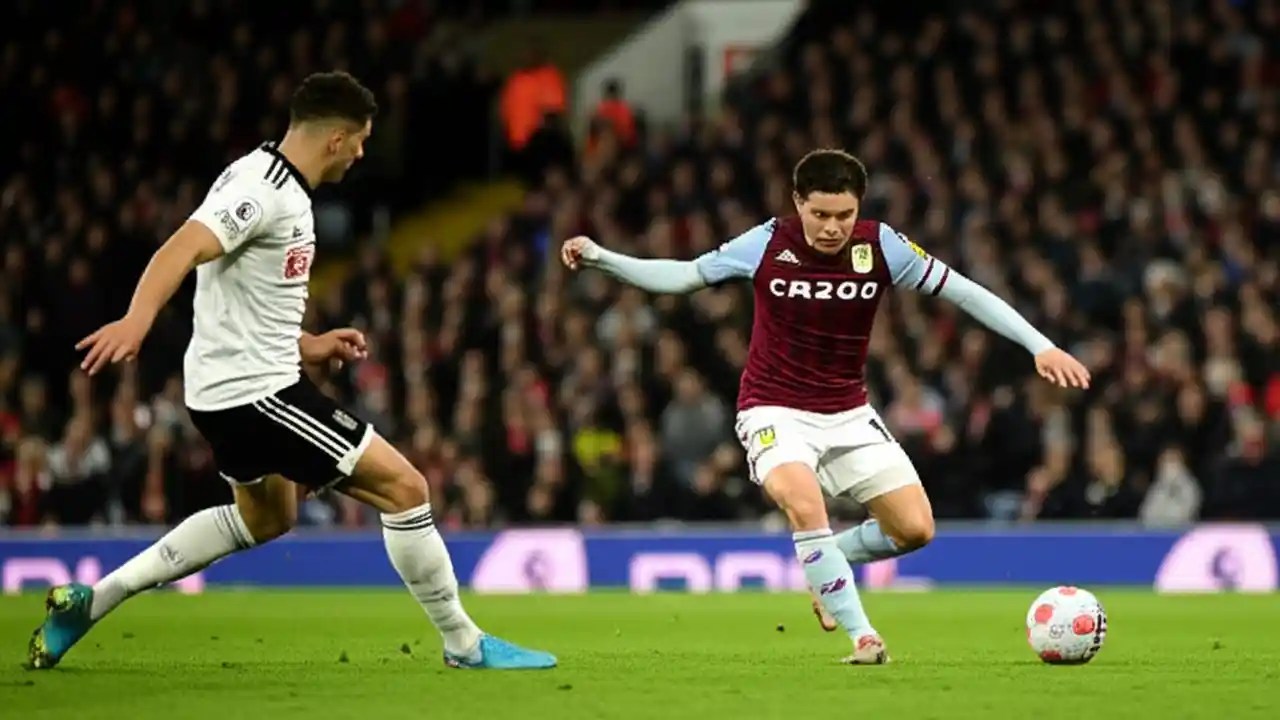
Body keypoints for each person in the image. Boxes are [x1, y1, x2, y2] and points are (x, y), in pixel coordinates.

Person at [29, 71, 556, 672]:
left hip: (229, 388)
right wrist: (135, 319)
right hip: (257, 394)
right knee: (406, 489)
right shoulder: (264, 190)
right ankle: (464, 643)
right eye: (358, 141)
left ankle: (90, 603)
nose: (360, 154)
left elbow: (241, 296)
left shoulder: (259, 174)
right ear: (334, 139)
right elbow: (181, 247)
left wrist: (307, 343)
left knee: (267, 517)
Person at [561, 148, 1090, 664]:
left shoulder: (882, 246)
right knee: (804, 503)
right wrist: (602, 259)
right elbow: (684, 275)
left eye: (844, 215)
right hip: (773, 410)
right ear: (797, 203)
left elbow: (966, 293)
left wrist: (1039, 345)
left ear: (860, 207)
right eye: (819, 214)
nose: (832, 227)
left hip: (849, 413)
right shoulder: (767, 242)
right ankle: (864, 638)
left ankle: (829, 562)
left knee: (916, 529)